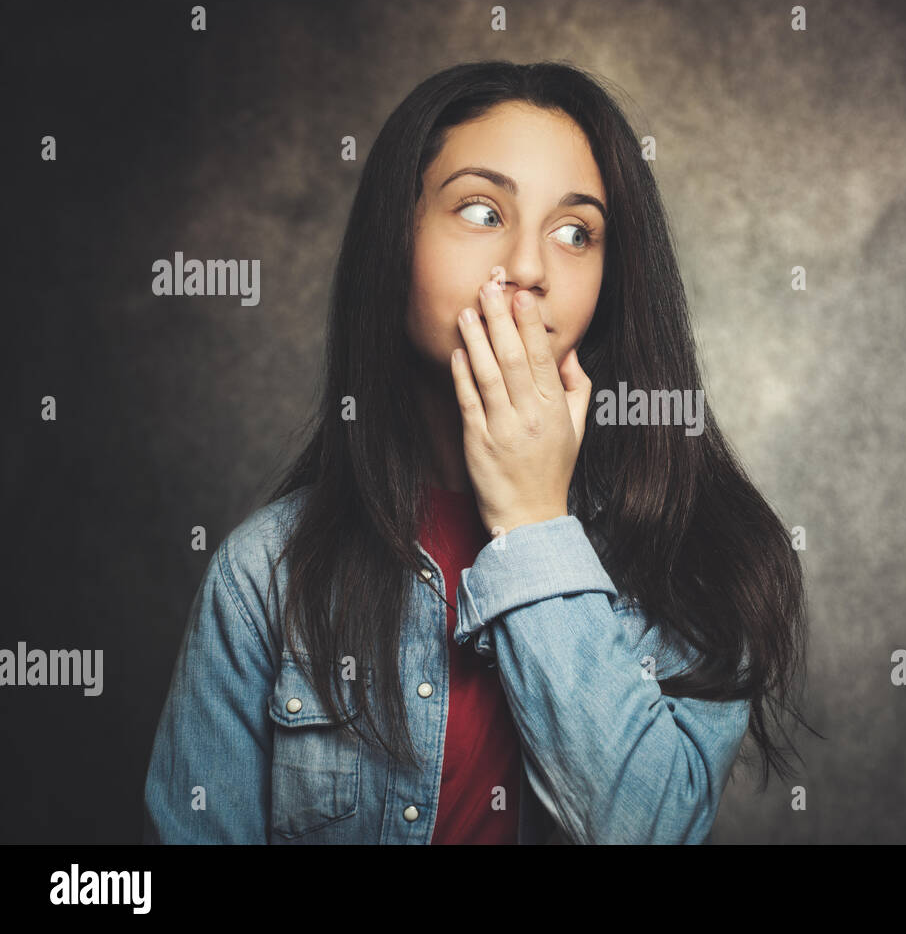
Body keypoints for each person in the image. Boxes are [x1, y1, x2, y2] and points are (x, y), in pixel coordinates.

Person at [143, 60, 816, 844]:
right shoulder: (264, 576)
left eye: (577, 233)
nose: (529, 269)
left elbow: (651, 830)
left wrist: (532, 521)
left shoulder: (694, 556)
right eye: (480, 211)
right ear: (396, 241)